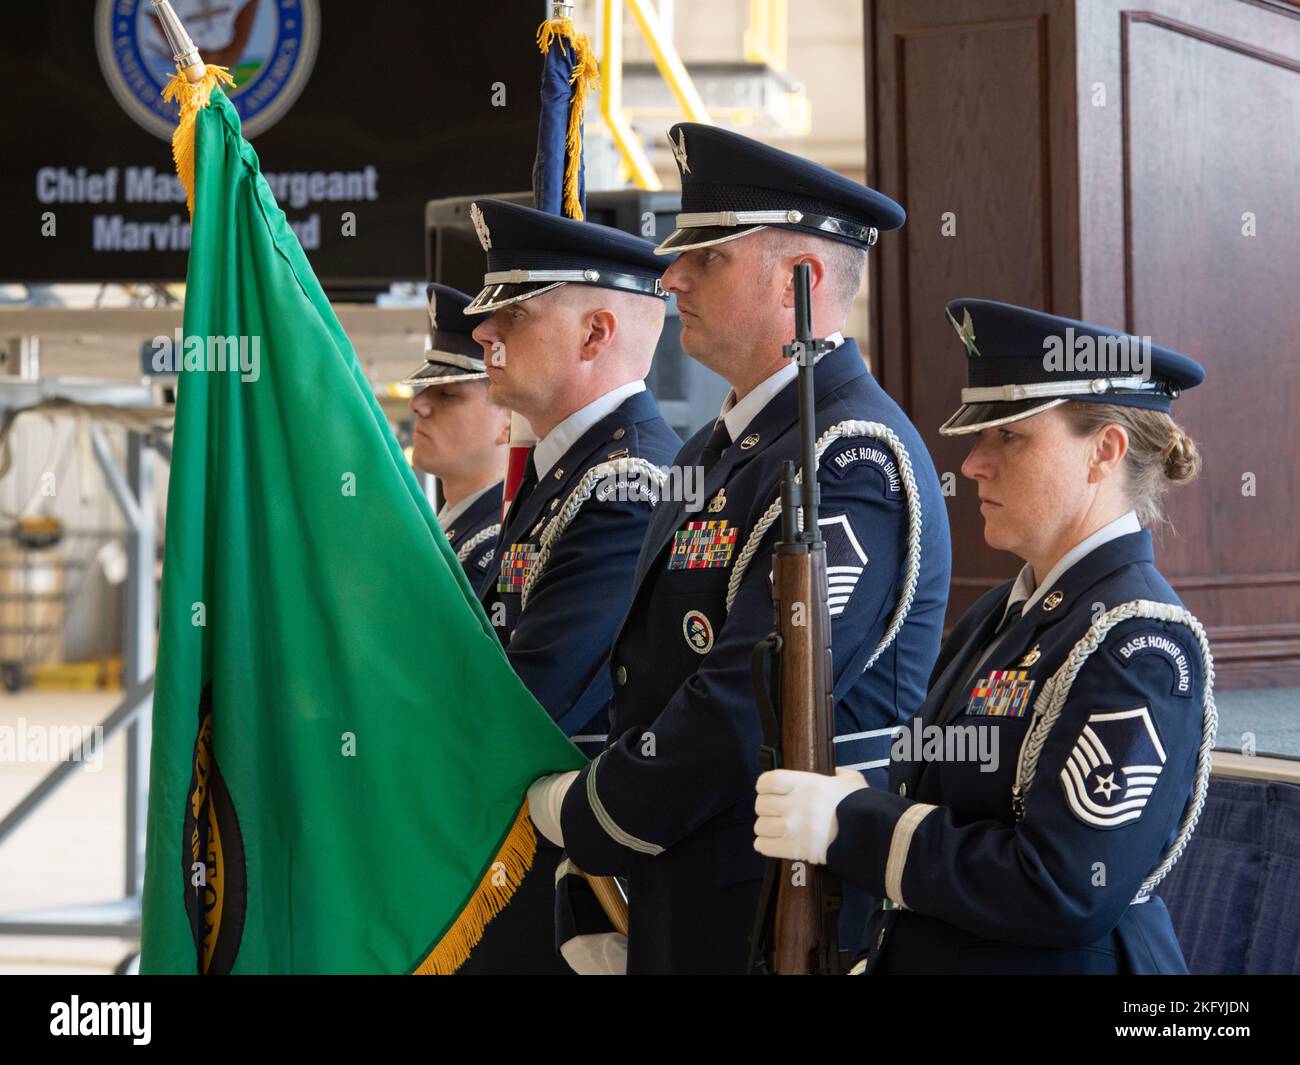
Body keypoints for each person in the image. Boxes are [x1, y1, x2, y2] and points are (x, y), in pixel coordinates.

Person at [527, 123, 952, 973]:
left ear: (803, 281)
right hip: (688, 891)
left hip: (778, 911)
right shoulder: (717, 450)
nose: (671, 275)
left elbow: (745, 701)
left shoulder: (853, 456)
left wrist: (591, 815)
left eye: (709, 257)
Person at [753, 298, 1215, 975]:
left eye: (1010, 438)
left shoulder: (1139, 643)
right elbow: (954, 787)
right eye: (979, 438)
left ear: (1105, 451)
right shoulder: (1007, 611)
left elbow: (1062, 886)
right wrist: (865, 790)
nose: (972, 464)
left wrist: (854, 823)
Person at [459, 198, 681, 974]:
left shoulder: (626, 481)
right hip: (523, 857)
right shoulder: (568, 470)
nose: (483, 332)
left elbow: (535, 696)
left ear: (595, 334)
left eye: (514, 313)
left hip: (567, 875)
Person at [404, 283, 509, 595]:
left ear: (509, 421)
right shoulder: (459, 527)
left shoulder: (494, 546)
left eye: (448, 394)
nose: (418, 404)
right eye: (426, 391)